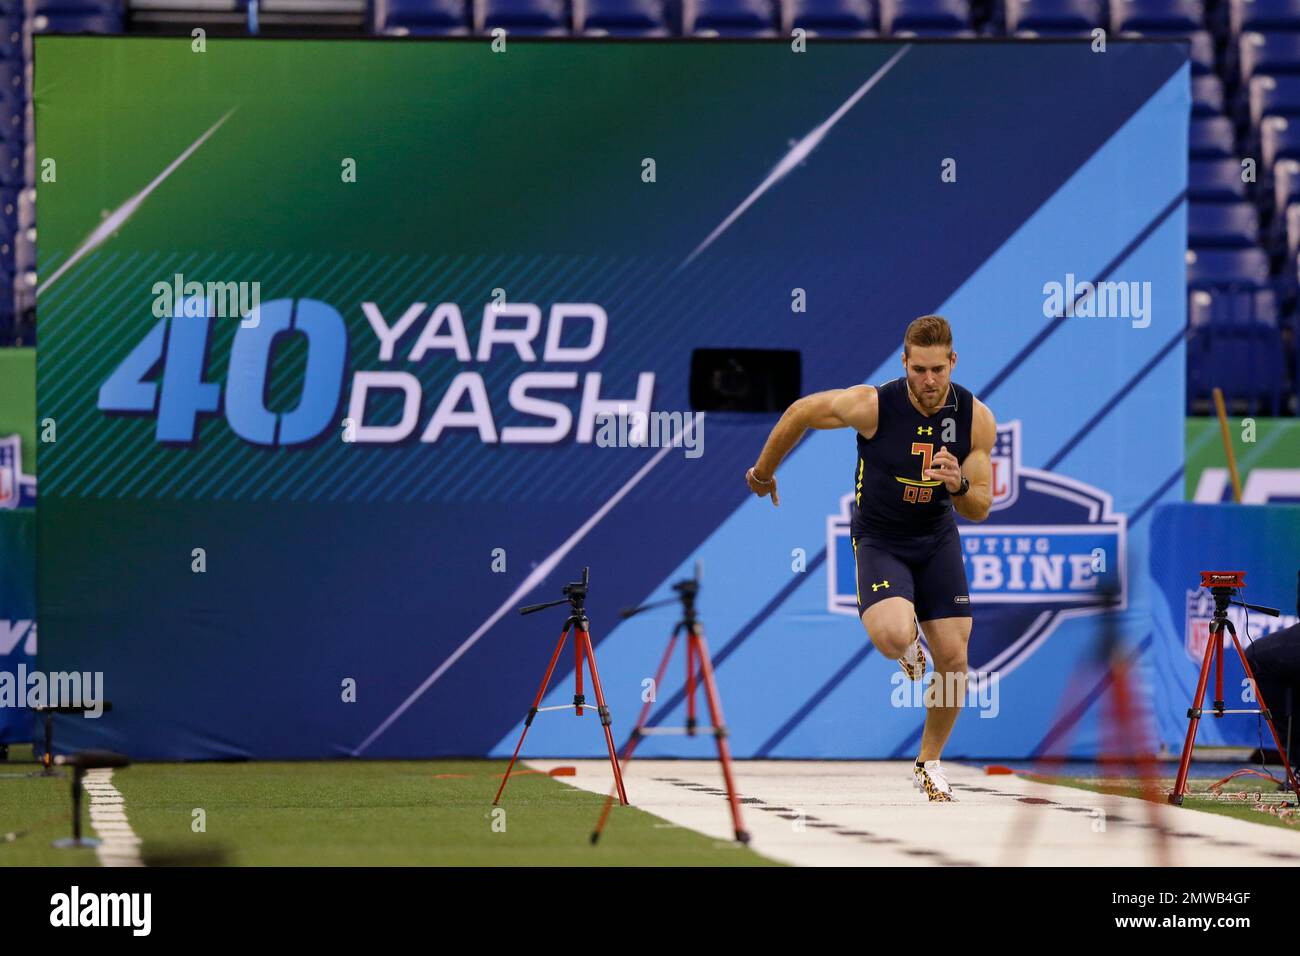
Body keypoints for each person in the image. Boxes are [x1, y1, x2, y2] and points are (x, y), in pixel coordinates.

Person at [745, 315, 996, 801]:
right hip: (881, 536)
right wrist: (762, 473)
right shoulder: (874, 405)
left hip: (937, 537)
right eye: (918, 369)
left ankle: (930, 761)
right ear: (904, 364)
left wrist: (959, 485)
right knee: (893, 636)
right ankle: (907, 648)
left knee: (955, 657)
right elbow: (800, 411)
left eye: (937, 370)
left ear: (953, 363)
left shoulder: (975, 418)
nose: (928, 380)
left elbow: (980, 506)